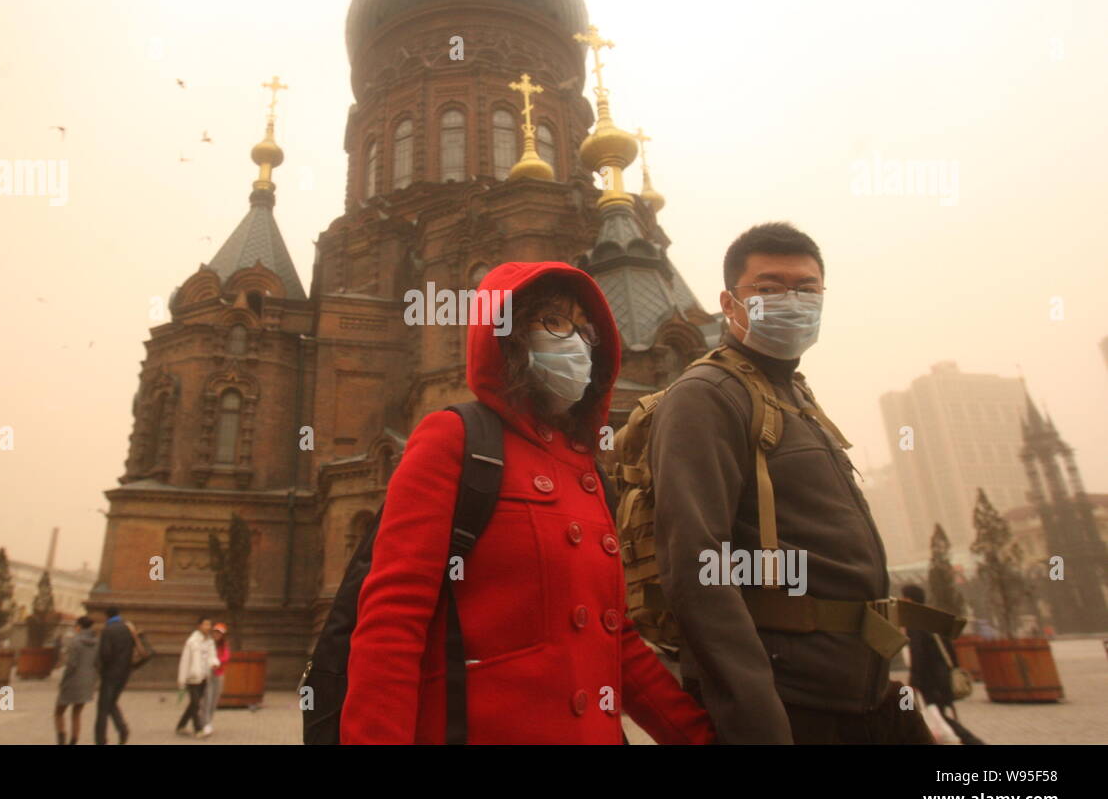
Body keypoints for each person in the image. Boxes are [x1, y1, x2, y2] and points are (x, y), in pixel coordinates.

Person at [339, 261, 714, 744]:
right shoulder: (455, 438)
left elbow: (615, 641)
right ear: (508, 333)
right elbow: (392, 621)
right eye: (554, 322)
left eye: (586, 330)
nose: (575, 343)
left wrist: (701, 736)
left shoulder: (588, 473)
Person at [649, 222, 946, 744]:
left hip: (865, 696)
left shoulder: (795, 395)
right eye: (767, 288)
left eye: (807, 289)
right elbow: (697, 567)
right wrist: (756, 719)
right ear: (730, 302)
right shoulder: (707, 394)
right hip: (793, 704)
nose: (791, 300)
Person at [902, 584, 984, 744]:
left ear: (909, 600)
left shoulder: (915, 622)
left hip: (930, 679)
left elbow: (917, 654)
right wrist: (952, 669)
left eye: (903, 597)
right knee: (941, 714)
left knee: (938, 716)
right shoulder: (934, 619)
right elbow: (950, 648)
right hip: (944, 675)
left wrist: (913, 681)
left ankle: (974, 742)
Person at [55, 616, 100, 745]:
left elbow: (71, 665)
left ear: (79, 627)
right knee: (77, 714)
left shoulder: (75, 642)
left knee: (59, 712)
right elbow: (97, 663)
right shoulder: (97, 642)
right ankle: (73, 741)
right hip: (87, 682)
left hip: (72, 681)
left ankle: (61, 739)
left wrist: (63, 681)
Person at [95, 606, 135, 745]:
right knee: (111, 703)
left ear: (106, 615)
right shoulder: (127, 628)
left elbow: (105, 654)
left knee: (102, 709)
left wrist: (101, 669)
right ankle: (122, 729)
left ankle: (101, 740)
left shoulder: (108, 630)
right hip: (124, 672)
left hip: (110, 673)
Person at [177, 616, 218, 738]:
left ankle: (181, 725)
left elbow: (212, 656)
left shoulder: (210, 642)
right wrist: (182, 679)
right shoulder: (192, 641)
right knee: (196, 704)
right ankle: (198, 729)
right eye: (205, 624)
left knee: (194, 704)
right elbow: (185, 660)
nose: (207, 627)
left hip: (204, 676)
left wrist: (214, 663)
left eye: (209, 625)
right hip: (192, 676)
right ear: (199, 626)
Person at [201, 622, 230, 730]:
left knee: (214, 699)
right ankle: (205, 722)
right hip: (208, 673)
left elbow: (226, 657)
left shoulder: (224, 645)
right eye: (216, 632)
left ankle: (208, 721)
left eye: (220, 633)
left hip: (218, 674)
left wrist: (217, 662)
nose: (217, 635)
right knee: (207, 698)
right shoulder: (208, 643)